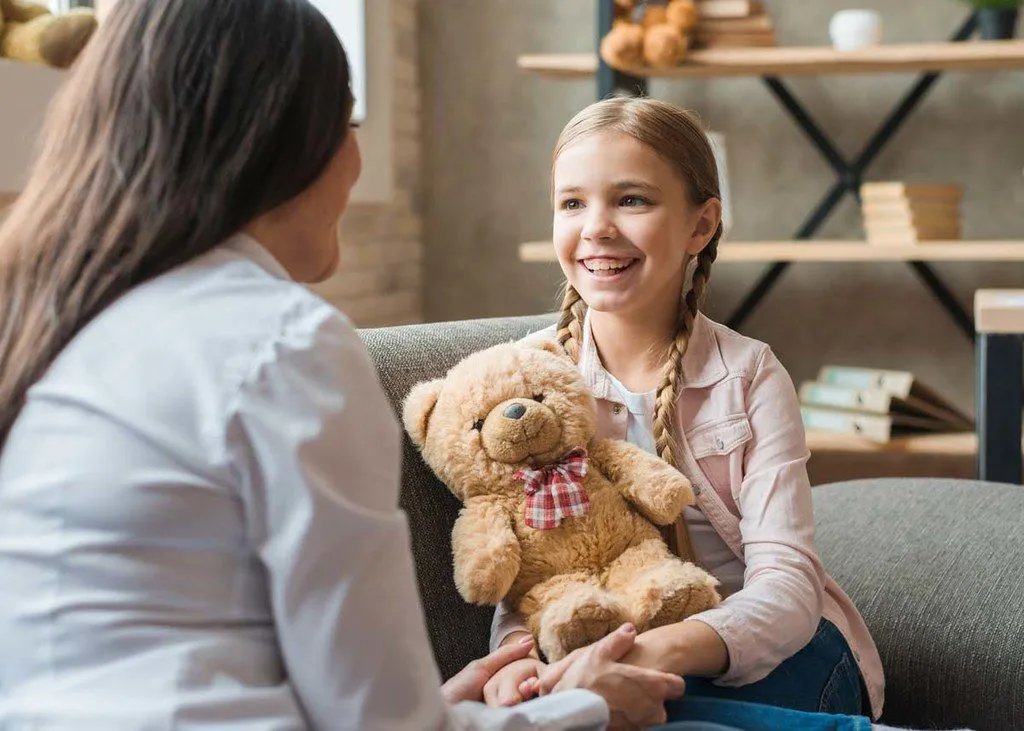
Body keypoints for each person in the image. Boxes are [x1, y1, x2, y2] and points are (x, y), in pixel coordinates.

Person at [0, 2, 690, 729]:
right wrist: (589, 709)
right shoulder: (283, 345)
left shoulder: (51, 326)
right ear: (287, 143)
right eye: (349, 121)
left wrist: (438, 705)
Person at [481, 97, 892, 730]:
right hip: (600, 654)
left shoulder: (750, 374)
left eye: (632, 200)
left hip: (771, 649)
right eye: (572, 203)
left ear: (700, 227)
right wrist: (512, 660)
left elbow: (787, 588)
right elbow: (522, 563)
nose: (596, 227)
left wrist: (646, 654)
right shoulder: (524, 384)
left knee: (652, 713)